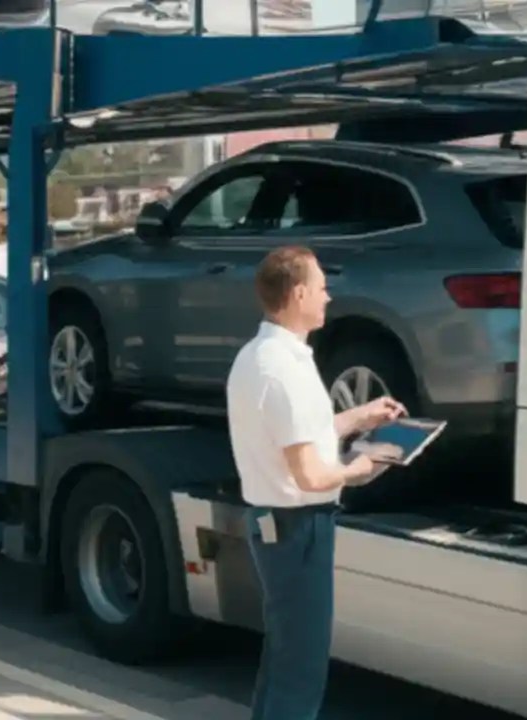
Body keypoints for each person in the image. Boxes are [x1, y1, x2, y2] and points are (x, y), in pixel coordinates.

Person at [226, 244, 406, 720]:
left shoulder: (257, 356)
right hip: (300, 526)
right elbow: (309, 474)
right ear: (299, 292)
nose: (329, 296)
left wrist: (358, 417)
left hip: (277, 523)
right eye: (323, 288)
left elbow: (294, 435)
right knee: (301, 671)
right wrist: (361, 469)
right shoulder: (284, 370)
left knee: (283, 662)